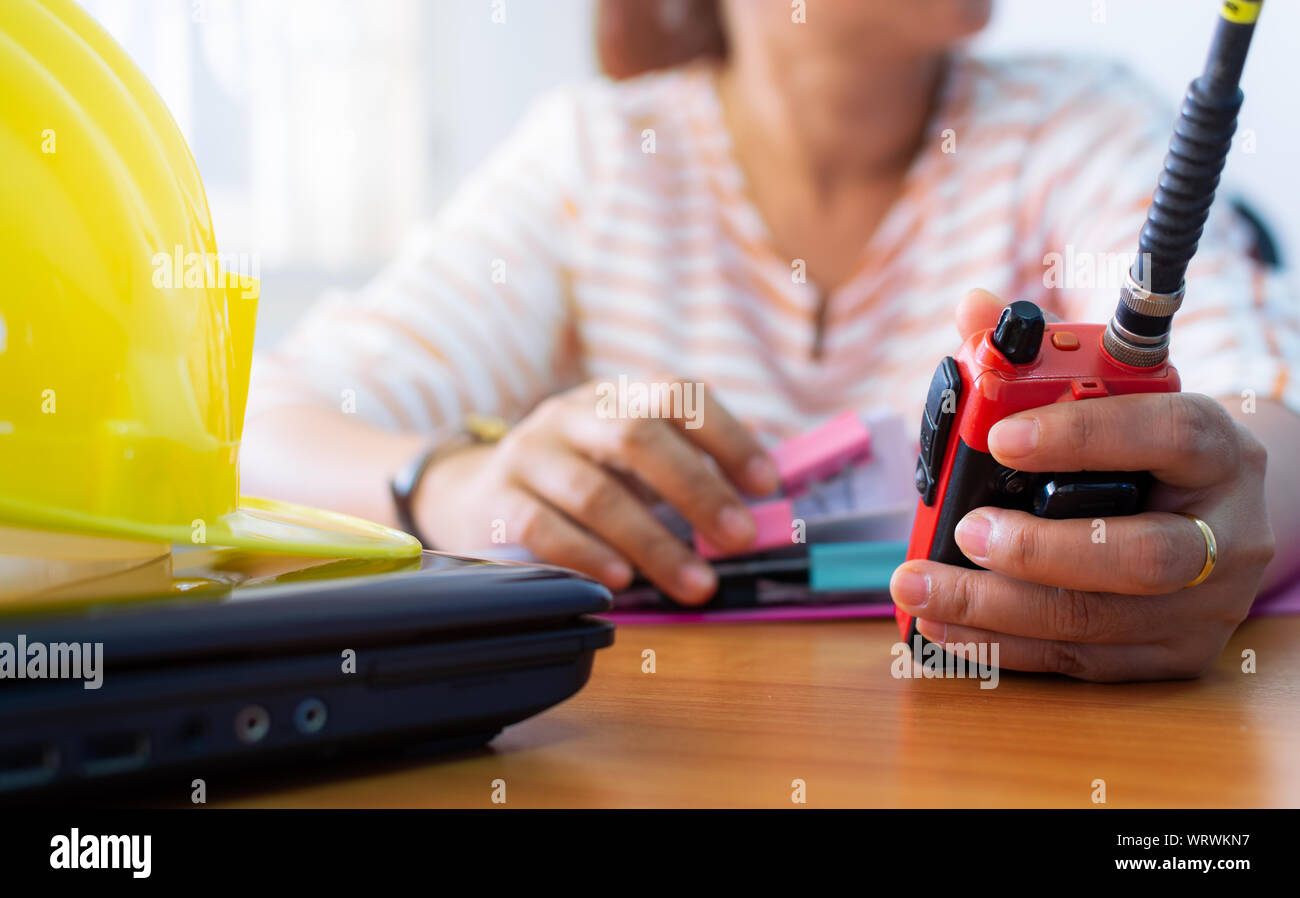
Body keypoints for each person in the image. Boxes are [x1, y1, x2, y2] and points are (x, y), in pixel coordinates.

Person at [243, 0, 1297, 682]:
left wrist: (1221, 521)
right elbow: (258, 427)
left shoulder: (1076, 123)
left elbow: (1268, 417)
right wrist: (448, 484)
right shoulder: (597, 160)